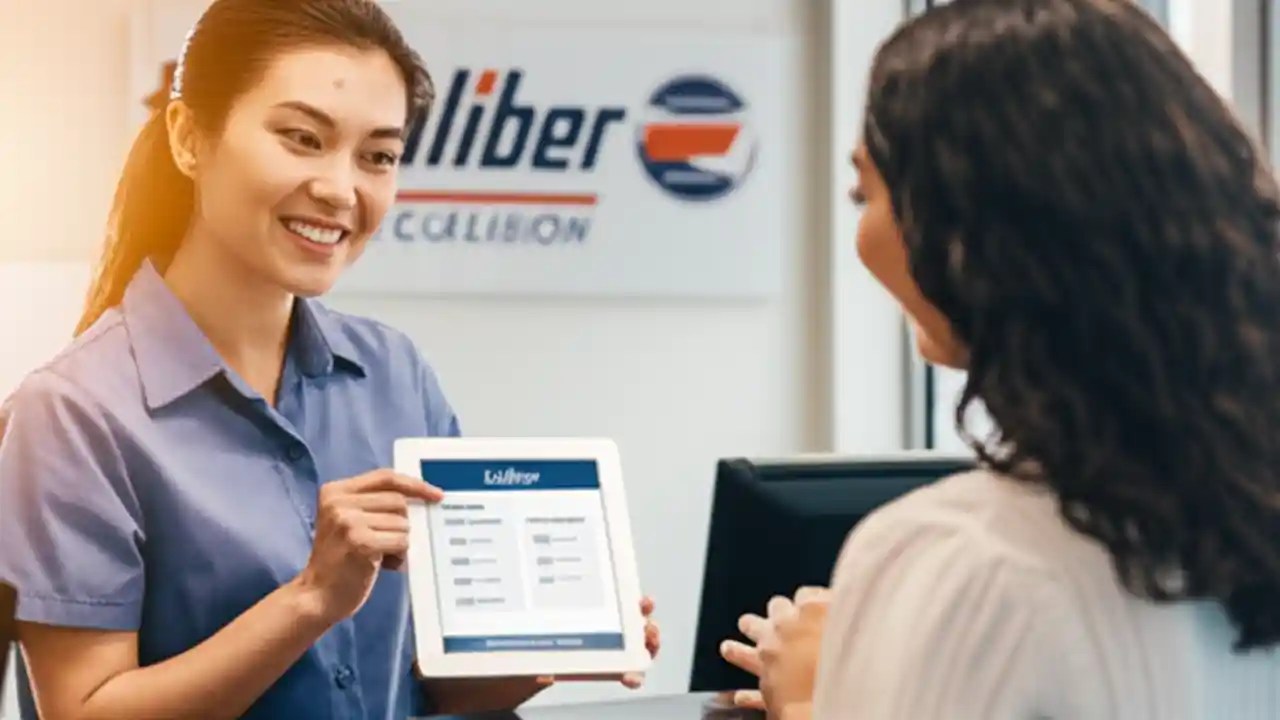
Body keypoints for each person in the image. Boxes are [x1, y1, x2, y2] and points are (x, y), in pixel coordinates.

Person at [0, 1, 658, 718]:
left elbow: (421, 686)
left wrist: (546, 650)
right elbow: (85, 710)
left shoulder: (396, 374)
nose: (342, 190)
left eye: (377, 156)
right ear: (190, 138)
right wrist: (311, 600)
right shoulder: (71, 413)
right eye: (302, 138)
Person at [720, 0, 1280, 717]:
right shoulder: (1242, 531)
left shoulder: (964, 564)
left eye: (869, 191)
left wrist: (814, 700)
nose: (862, 236)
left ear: (967, 226)